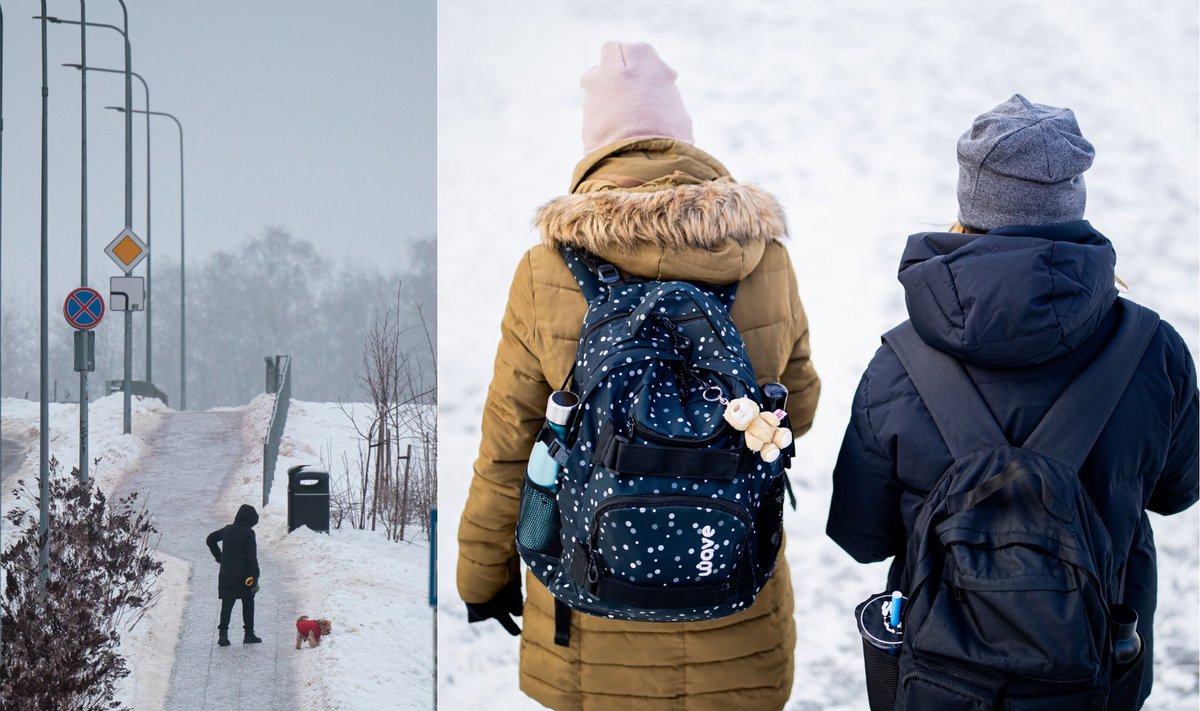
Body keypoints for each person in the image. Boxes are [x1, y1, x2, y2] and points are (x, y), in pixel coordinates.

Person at [456, 41, 820, 710]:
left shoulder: (546, 270)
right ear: (685, 141)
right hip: (734, 606)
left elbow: (509, 445)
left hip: (589, 623)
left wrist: (484, 577)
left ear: (595, 149)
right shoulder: (763, 259)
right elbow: (801, 405)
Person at [826, 94, 1198, 708]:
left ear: (969, 203)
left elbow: (862, 533)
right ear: (1073, 202)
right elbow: (1177, 491)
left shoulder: (900, 363)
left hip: (942, 676)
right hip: (1096, 667)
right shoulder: (1153, 351)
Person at [206, 503, 263, 646]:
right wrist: (255, 575)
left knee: (227, 603)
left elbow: (210, 539)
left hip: (227, 574)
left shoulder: (227, 530)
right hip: (245, 576)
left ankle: (223, 635)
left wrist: (220, 557)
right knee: (248, 602)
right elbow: (251, 557)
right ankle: (248, 634)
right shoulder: (249, 533)